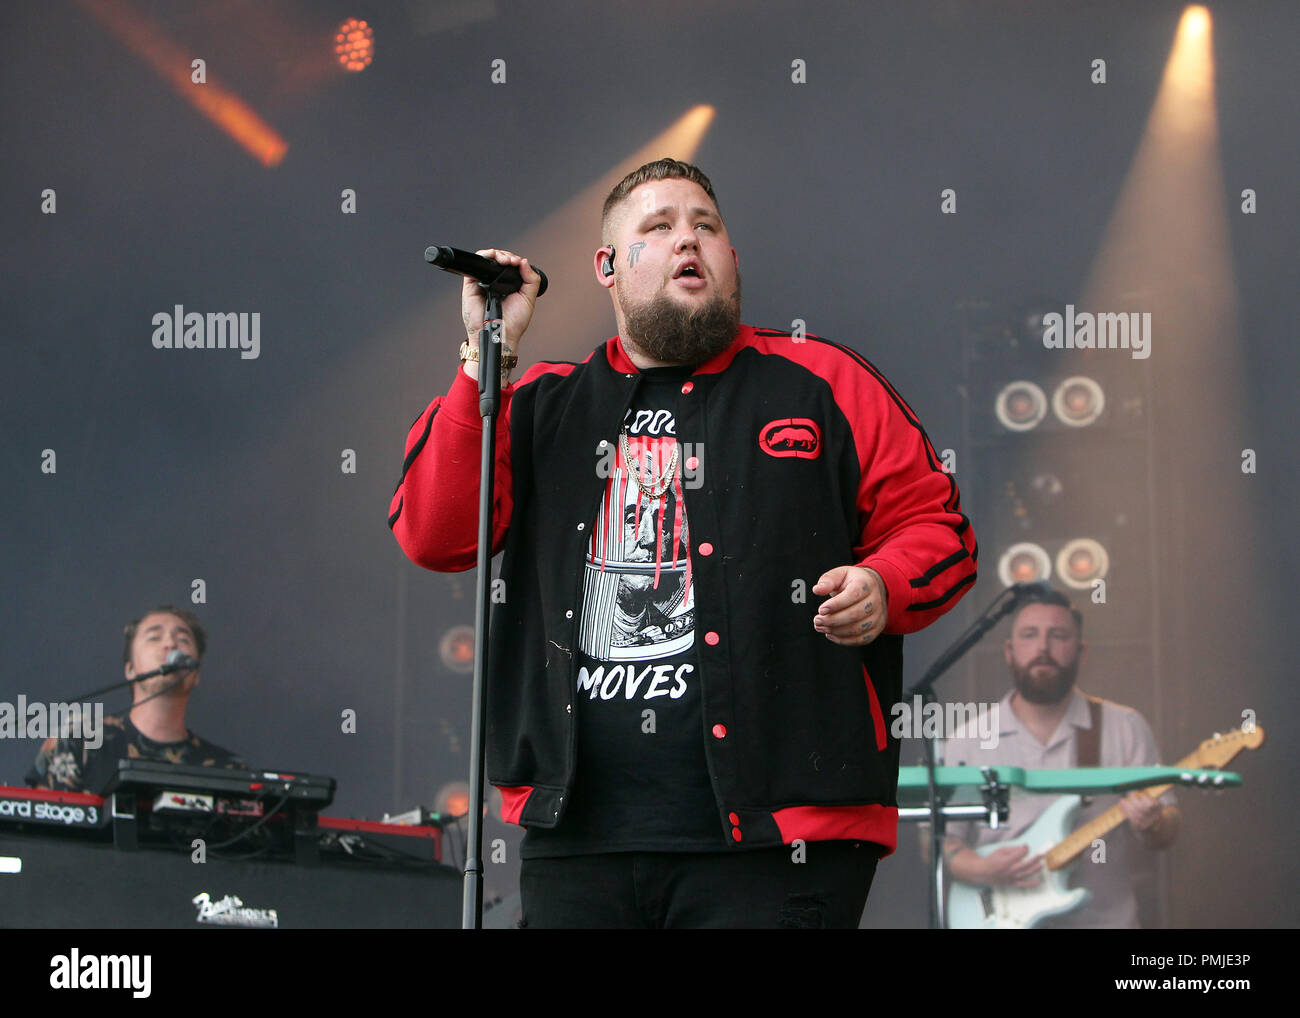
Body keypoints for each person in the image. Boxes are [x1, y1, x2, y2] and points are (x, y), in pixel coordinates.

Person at [389, 158, 978, 927]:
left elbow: (938, 529)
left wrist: (883, 584)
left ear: (733, 259)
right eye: (659, 227)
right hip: (578, 838)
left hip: (778, 840)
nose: (687, 240)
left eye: (706, 225)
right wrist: (485, 356)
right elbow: (435, 536)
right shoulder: (541, 404)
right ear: (606, 266)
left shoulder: (820, 381)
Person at [938, 588, 1179, 928]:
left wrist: (1152, 823)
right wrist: (983, 869)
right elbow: (940, 841)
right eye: (1029, 635)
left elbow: (1166, 830)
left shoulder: (1124, 726)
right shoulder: (967, 740)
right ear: (1009, 651)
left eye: (1059, 636)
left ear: (1081, 652)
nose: (1043, 649)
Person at [26, 605, 245, 794]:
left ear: (195, 673)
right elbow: (46, 835)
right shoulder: (78, 740)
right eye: (154, 637)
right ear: (130, 669)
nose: (170, 644)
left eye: (183, 639)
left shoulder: (227, 770)